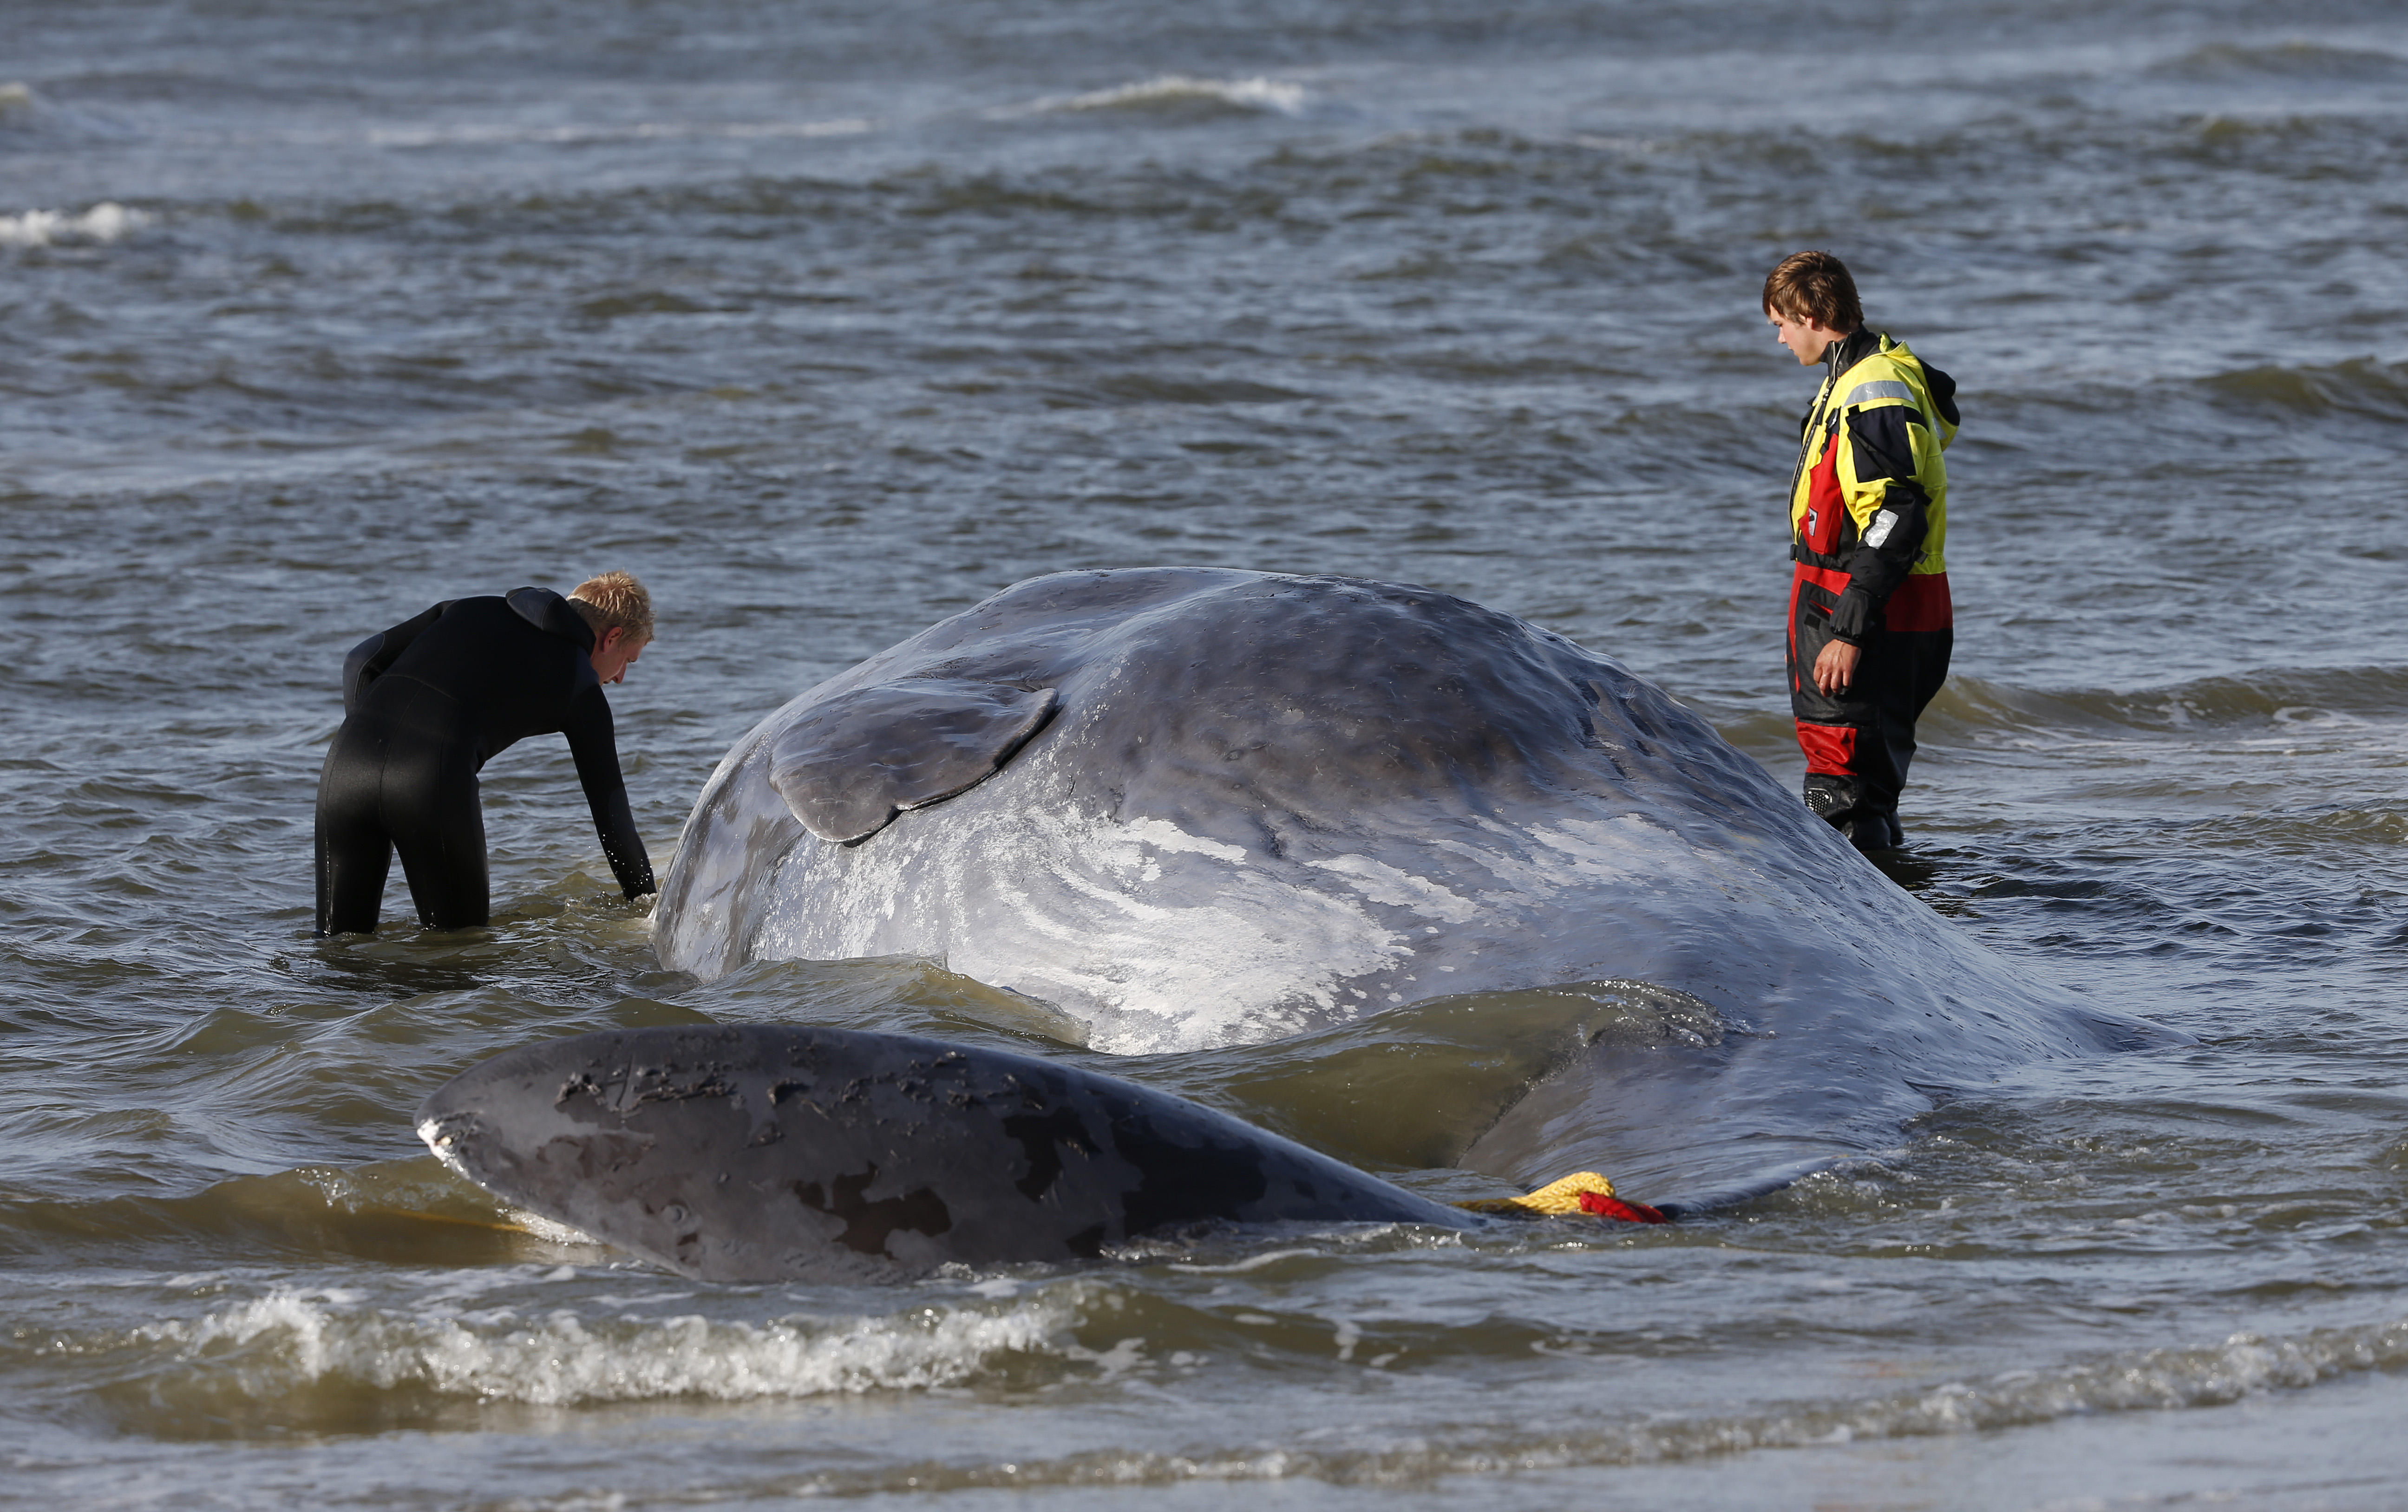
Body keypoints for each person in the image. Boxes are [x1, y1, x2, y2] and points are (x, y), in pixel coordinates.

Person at [313, 572, 657, 934]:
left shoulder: (468, 608)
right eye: (628, 662)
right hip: (428, 783)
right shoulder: (580, 684)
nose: (620, 678)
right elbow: (614, 821)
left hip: (344, 767)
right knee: (458, 953)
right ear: (612, 637)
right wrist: (650, 912)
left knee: (339, 951)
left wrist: (372, 736)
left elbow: (360, 660)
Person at [1762, 251, 1959, 851]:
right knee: (1867, 786)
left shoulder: (1871, 389)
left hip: (1857, 606)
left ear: (1814, 314)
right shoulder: (1869, 375)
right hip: (1886, 602)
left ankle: (1847, 941)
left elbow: (1898, 513)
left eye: (1783, 323)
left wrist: (1849, 626)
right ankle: (1898, 920)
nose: (1780, 338)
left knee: (1841, 795)